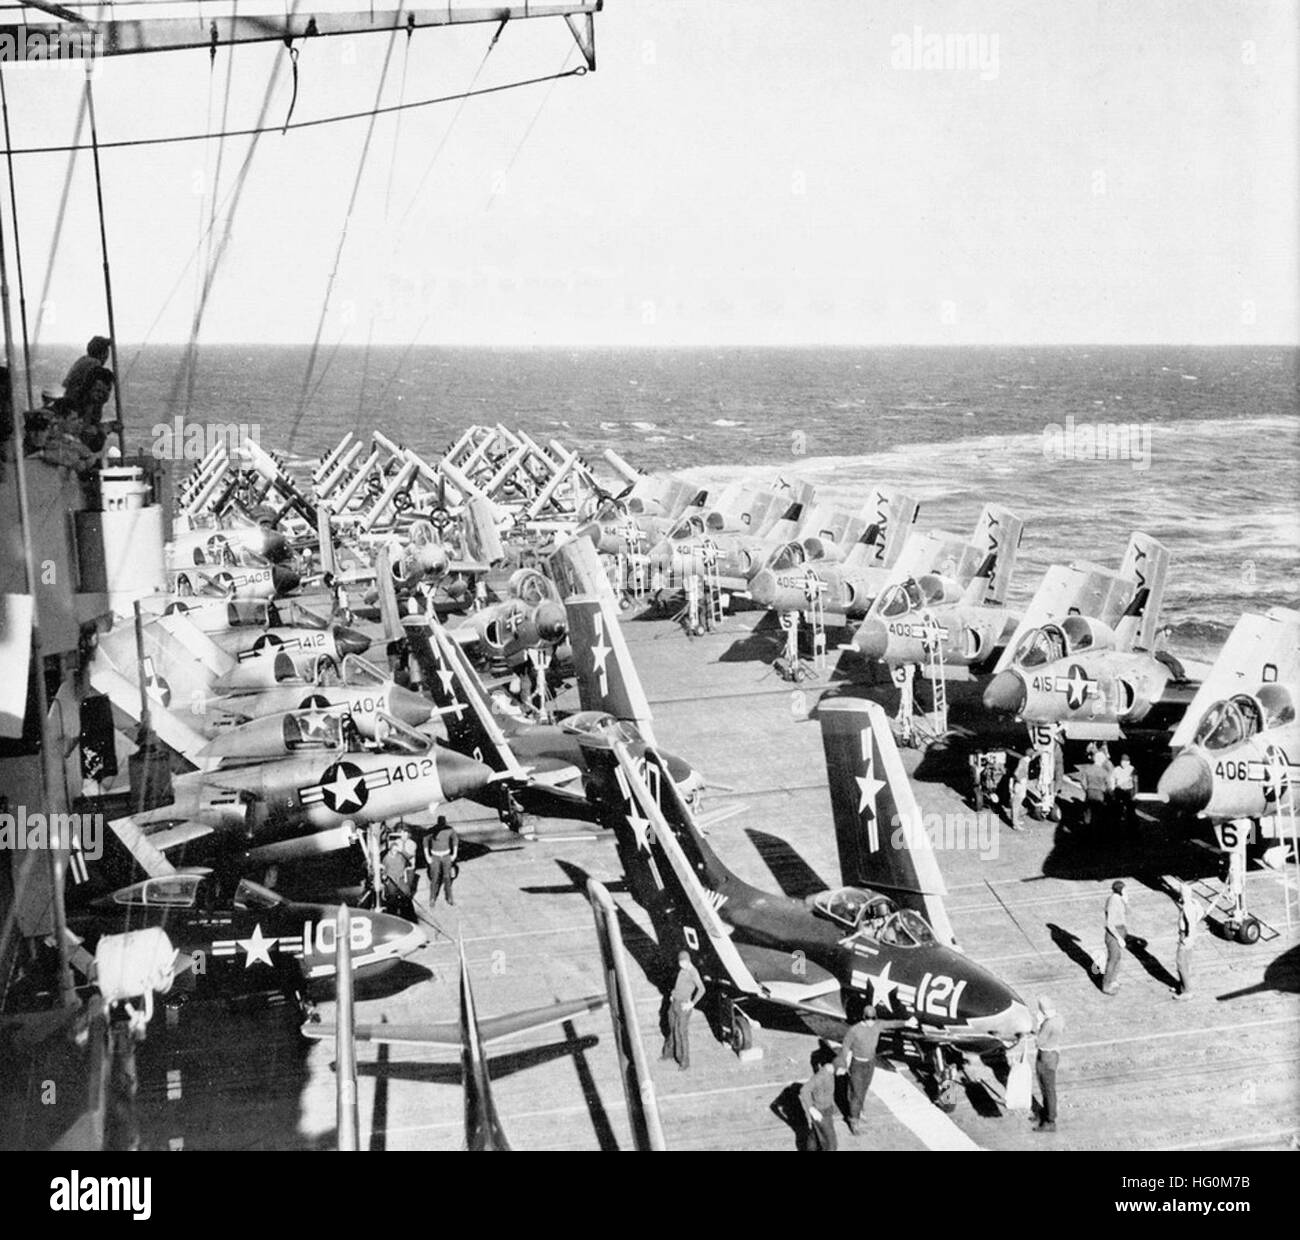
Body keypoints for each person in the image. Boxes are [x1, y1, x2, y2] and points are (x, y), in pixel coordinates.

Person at [835, 1001, 909, 1134]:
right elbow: (845, 1047)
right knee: (856, 1093)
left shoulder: (877, 1025)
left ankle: (859, 1111)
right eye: (868, 1018)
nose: (871, 1021)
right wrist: (843, 1064)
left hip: (870, 1063)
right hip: (857, 1064)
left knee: (863, 1089)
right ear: (863, 1017)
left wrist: (906, 1023)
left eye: (873, 1018)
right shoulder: (855, 1030)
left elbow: (891, 1023)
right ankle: (853, 1120)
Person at [661, 949, 705, 1070]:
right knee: (670, 1028)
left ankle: (684, 1061)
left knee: (681, 1032)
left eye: (682, 962)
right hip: (674, 1002)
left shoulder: (693, 972)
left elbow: (702, 989)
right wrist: (673, 994)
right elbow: (680, 985)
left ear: (688, 961)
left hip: (683, 1006)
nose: (680, 965)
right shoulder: (682, 970)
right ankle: (668, 1053)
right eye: (680, 962)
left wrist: (692, 1003)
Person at [1033, 996, 1064, 1131]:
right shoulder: (1059, 1018)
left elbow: (1039, 1042)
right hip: (1054, 1054)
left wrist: (1039, 1024)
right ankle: (1047, 1114)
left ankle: (1050, 1121)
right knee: (1048, 1087)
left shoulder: (1048, 1023)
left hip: (1046, 1056)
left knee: (1047, 1088)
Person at [1172, 881, 1207, 999]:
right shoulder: (1194, 902)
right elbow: (1202, 913)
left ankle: (1187, 991)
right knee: (1185, 963)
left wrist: (1187, 937)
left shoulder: (1187, 907)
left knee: (1180, 963)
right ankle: (1182, 986)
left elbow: (1191, 924)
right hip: (1190, 936)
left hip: (1186, 936)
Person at [800, 1058, 839, 1152]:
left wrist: (832, 1105)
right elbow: (804, 1090)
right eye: (843, 1070)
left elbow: (828, 1092)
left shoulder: (829, 1074)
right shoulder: (820, 1077)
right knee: (830, 1142)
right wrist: (811, 1109)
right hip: (820, 1111)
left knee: (816, 1134)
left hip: (826, 1109)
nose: (843, 1073)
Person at [62, 334, 111, 405]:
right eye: (106, 351)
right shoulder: (94, 364)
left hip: (69, 400)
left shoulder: (83, 360)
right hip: (77, 404)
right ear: (103, 353)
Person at [423, 815, 459, 907]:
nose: (442, 826)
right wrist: (427, 855)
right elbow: (425, 840)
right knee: (434, 878)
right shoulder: (432, 830)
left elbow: (455, 839)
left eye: (443, 824)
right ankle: (432, 898)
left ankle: (449, 897)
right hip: (435, 856)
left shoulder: (450, 830)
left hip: (446, 856)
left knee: (447, 877)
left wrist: (454, 854)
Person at [1101, 879, 1128, 994]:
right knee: (1112, 959)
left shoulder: (1118, 899)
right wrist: (1119, 938)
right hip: (1114, 934)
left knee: (1117, 958)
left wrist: (1126, 902)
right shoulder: (1113, 901)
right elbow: (1110, 924)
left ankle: (1113, 980)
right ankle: (1106, 985)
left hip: (1119, 930)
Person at [380, 835, 416, 922]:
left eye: (397, 850)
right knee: (392, 899)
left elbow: (409, 857)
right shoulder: (386, 859)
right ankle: (392, 918)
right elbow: (383, 871)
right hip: (391, 881)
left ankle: (409, 918)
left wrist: (402, 851)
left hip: (400, 879)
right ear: (391, 850)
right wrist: (385, 879)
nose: (396, 852)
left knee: (406, 894)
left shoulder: (401, 856)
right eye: (394, 850)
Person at [1078, 747, 1115, 828]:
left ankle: (1086, 828)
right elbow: (1108, 786)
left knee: (1088, 811)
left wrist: (1087, 789)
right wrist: (1111, 795)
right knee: (1098, 812)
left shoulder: (1087, 769)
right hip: (1100, 794)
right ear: (1102, 760)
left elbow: (1083, 782)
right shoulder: (1104, 772)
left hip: (1089, 792)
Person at [1113, 753, 1137, 828]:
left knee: (1130, 810)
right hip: (1119, 791)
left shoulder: (1132, 769)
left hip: (1128, 791)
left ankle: (1132, 826)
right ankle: (1118, 826)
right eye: (1123, 761)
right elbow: (1113, 781)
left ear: (1129, 762)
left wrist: (1135, 793)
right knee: (1118, 810)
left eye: (1126, 761)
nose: (1124, 763)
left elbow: (1135, 782)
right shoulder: (1116, 769)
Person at [1008, 751, 1031, 830]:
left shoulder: (1025, 761)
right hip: (1020, 785)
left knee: (1018, 803)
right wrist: (1020, 780)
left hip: (1022, 784)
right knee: (1016, 805)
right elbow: (1016, 773)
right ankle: (1015, 824)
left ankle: (1016, 820)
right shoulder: (1023, 762)